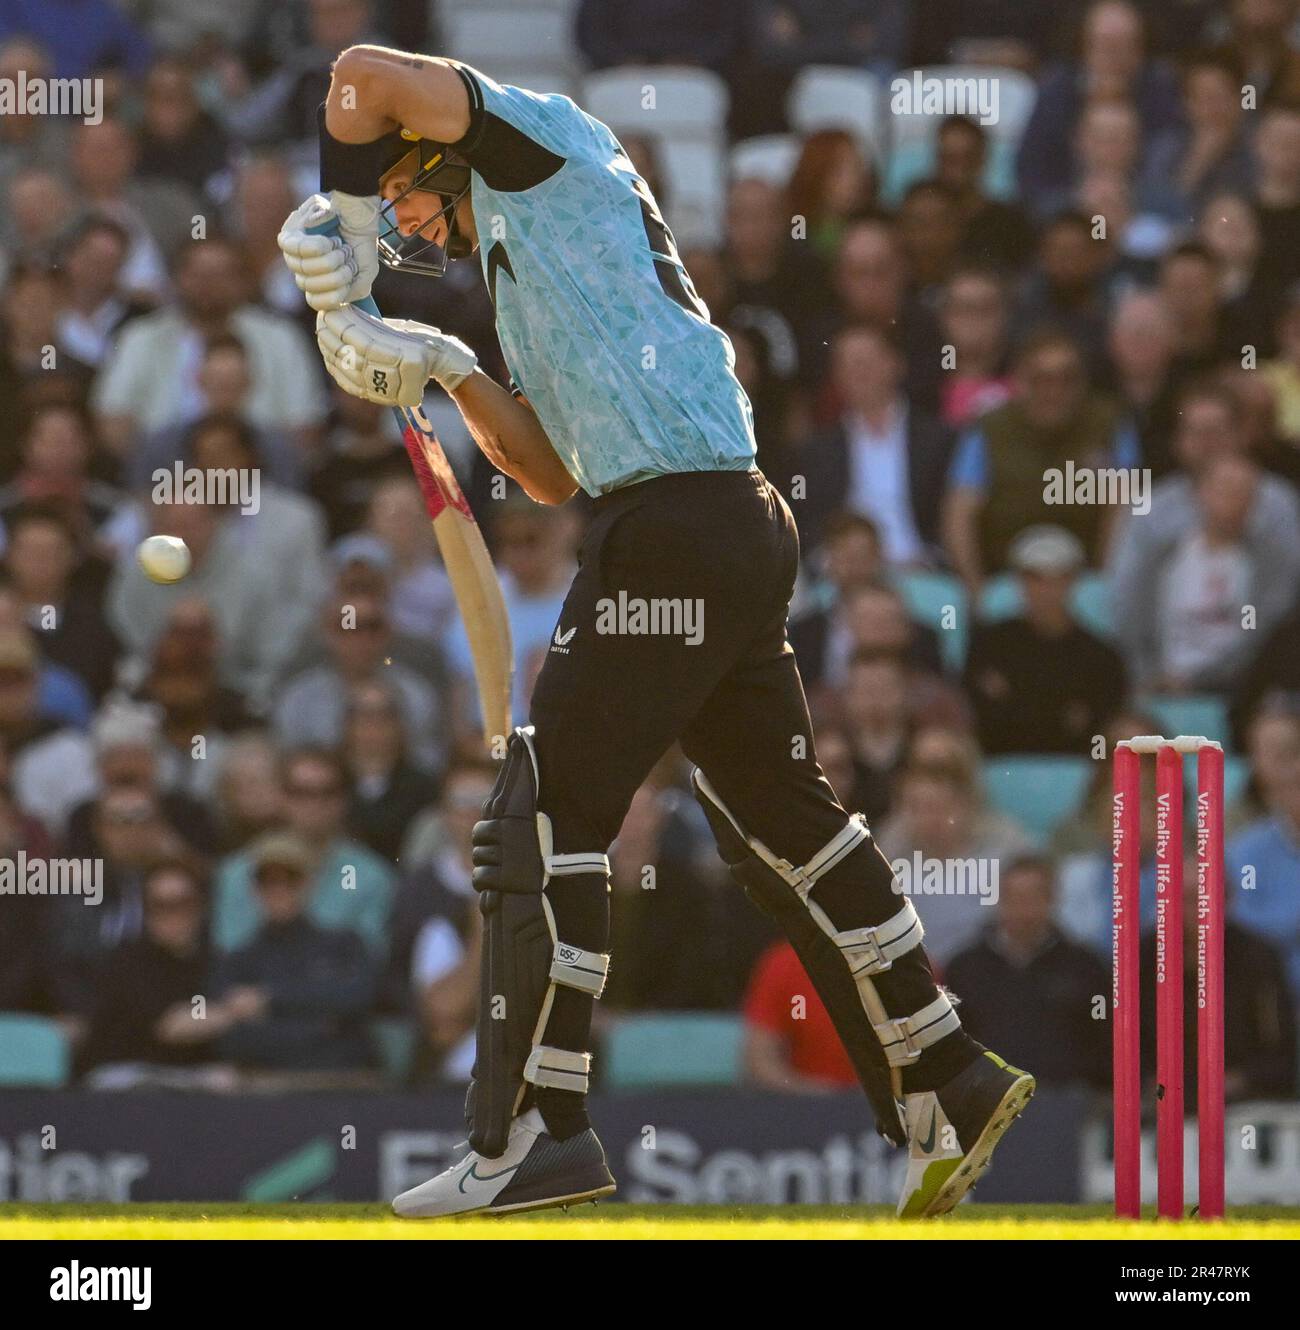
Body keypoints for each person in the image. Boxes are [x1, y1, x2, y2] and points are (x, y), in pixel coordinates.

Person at [274, 45, 1036, 1218]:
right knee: (781, 824)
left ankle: (534, 1130)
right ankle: (946, 1072)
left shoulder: (540, 147)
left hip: (674, 524)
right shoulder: (522, 264)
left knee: (537, 821)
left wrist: (340, 217)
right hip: (715, 518)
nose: (406, 222)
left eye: (403, 194)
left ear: (435, 152)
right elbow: (544, 474)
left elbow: (359, 70)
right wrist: (447, 368)